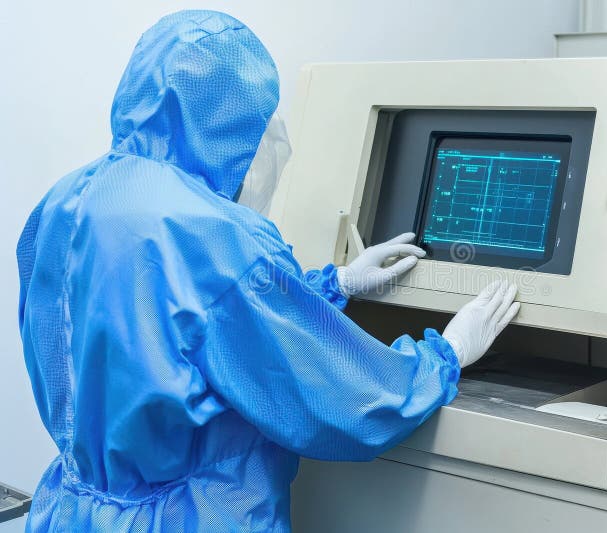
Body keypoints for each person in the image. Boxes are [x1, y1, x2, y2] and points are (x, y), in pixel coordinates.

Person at [16, 10, 519, 532]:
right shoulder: (210, 234)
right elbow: (349, 403)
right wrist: (445, 356)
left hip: (72, 513)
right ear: (228, 123)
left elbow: (167, 330)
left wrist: (334, 284)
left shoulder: (67, 202)